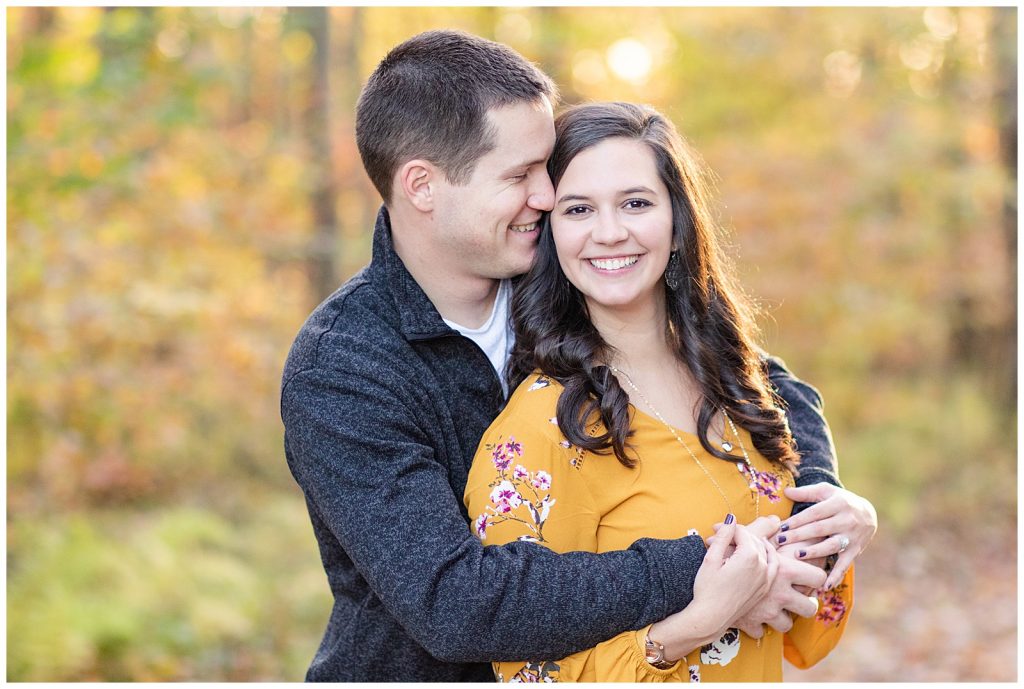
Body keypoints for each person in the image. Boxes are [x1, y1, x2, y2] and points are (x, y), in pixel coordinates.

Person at [281, 29, 875, 682]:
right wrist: (708, 567)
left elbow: (762, 381)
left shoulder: (553, 275)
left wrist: (819, 502)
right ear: (423, 185)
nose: (547, 194)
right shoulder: (343, 368)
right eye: (521, 175)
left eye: (548, 170)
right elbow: (456, 601)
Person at [464, 102, 862, 681]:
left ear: (677, 222)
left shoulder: (740, 386)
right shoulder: (539, 430)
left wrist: (842, 526)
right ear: (551, 233)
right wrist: (692, 627)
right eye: (578, 209)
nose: (609, 231)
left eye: (635, 203)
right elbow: (524, 672)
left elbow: (808, 632)